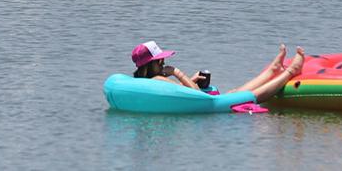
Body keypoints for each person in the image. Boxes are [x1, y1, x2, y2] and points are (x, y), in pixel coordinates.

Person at [129, 41, 305, 103]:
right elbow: (198, 96)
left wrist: (191, 79)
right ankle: (290, 71)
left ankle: (273, 70)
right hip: (208, 106)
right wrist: (177, 72)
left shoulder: (142, 80)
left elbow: (176, 93)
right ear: (152, 63)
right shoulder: (160, 78)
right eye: (161, 60)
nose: (164, 62)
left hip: (198, 105)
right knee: (251, 95)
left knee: (234, 93)